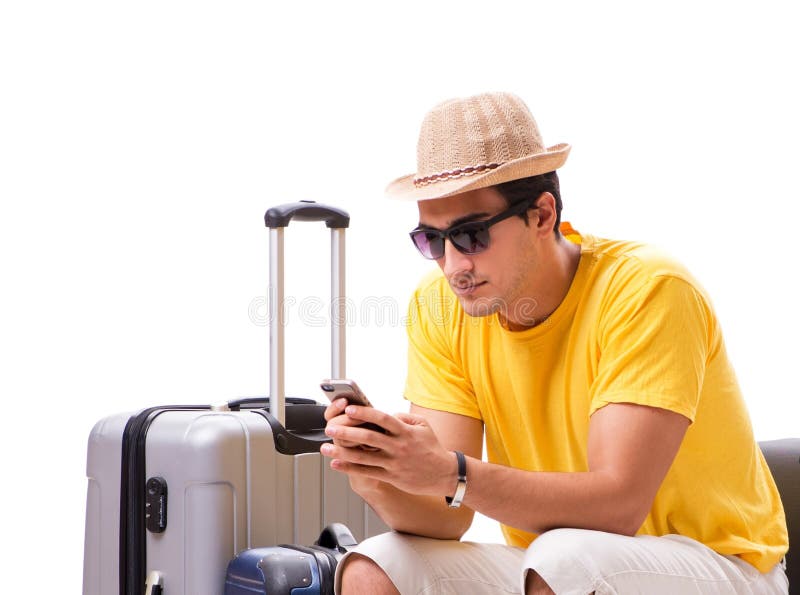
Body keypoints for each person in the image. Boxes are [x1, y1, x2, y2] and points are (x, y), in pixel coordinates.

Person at [320, 92, 789, 594]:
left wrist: (450, 473)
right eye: (432, 241)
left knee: (565, 557)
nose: (453, 265)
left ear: (542, 216)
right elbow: (447, 517)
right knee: (377, 564)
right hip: (550, 568)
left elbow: (618, 507)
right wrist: (380, 472)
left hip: (720, 568)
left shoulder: (647, 290)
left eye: (472, 235)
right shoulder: (440, 306)